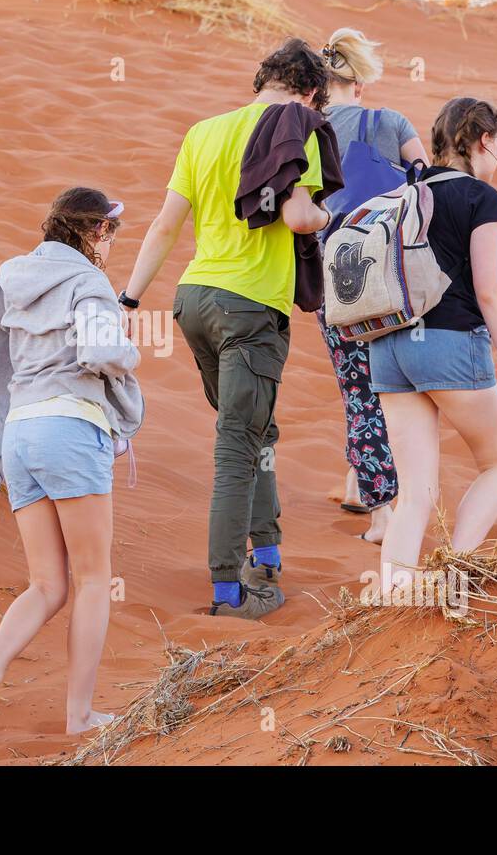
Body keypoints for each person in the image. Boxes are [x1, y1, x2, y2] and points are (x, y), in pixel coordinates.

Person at [120, 39, 331, 619]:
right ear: (311, 92)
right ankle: (228, 593)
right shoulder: (297, 129)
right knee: (238, 445)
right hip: (252, 307)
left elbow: (165, 225)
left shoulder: (203, 132)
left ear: (264, 79)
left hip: (194, 301)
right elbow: (296, 216)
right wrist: (327, 214)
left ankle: (266, 553)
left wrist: (130, 297)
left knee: (253, 430)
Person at [0, 187, 143, 748]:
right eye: (111, 231)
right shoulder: (88, 283)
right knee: (94, 579)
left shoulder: (12, 278)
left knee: (48, 584)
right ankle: (80, 718)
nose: (113, 241)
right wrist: (130, 352)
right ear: (95, 232)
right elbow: (100, 350)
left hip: (18, 433)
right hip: (71, 427)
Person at [369, 98, 497, 595]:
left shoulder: (407, 193)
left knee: (416, 491)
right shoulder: (481, 199)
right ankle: (453, 574)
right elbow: (489, 291)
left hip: (387, 345)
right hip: (449, 344)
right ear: (484, 141)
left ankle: (394, 598)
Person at [317, 28, 429, 544]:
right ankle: (391, 497)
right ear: (358, 83)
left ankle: (377, 506)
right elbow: (426, 187)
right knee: (397, 388)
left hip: (334, 279)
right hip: (393, 276)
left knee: (356, 388)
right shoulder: (391, 122)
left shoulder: (303, 133)